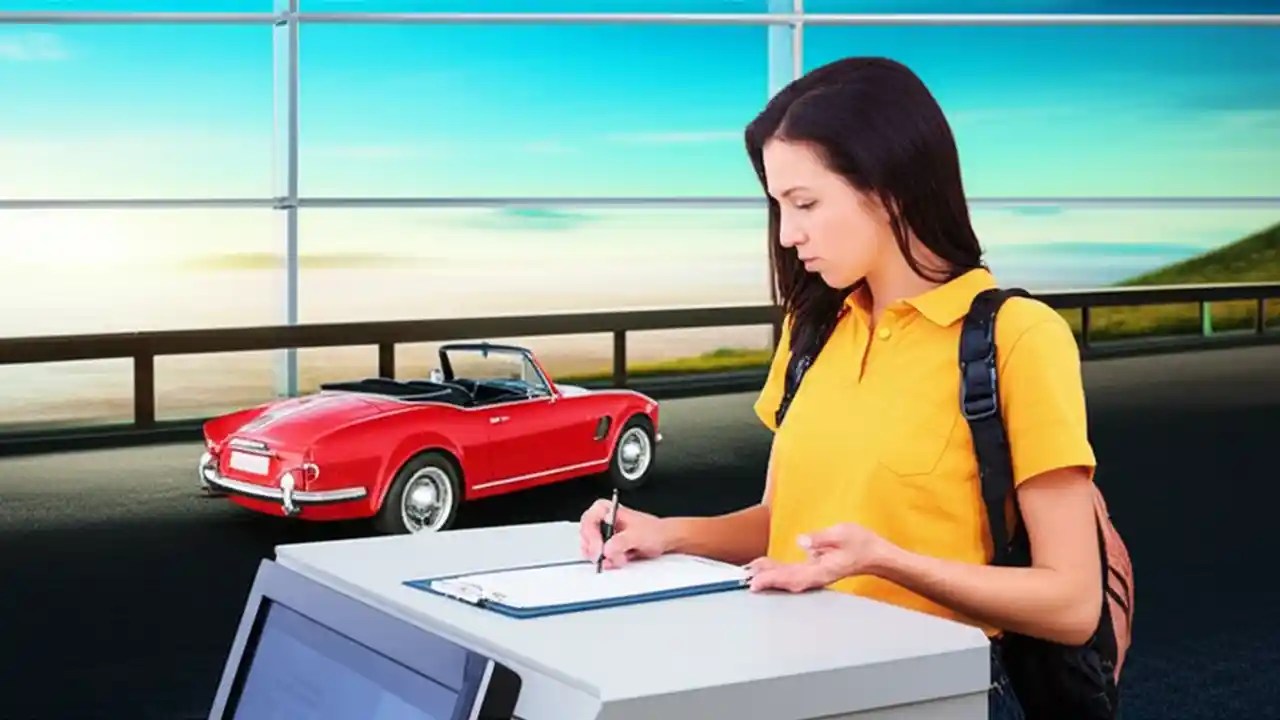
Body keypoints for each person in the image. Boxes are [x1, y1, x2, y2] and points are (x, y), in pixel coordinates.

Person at [579, 57, 1102, 719]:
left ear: (892, 189)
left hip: (936, 692)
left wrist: (886, 561)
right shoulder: (812, 330)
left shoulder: (1018, 339)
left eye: (804, 203)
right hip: (797, 676)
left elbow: (1073, 604)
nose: (788, 234)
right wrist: (667, 534)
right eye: (778, 207)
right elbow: (785, 527)